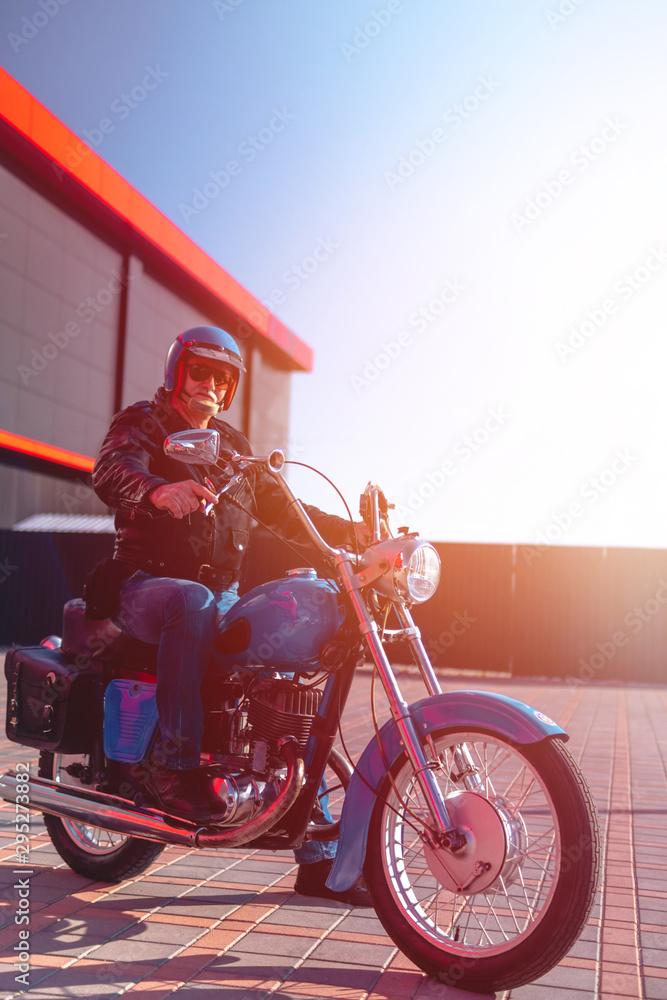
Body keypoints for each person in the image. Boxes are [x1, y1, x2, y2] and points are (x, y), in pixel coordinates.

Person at [92, 325, 374, 904]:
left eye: (224, 378)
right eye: (201, 372)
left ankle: (317, 857)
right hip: (145, 586)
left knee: (284, 676)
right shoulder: (142, 422)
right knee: (191, 601)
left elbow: (287, 508)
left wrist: (356, 534)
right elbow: (110, 469)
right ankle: (172, 767)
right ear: (177, 373)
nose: (212, 386)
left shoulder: (230, 444)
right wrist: (154, 491)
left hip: (218, 594)